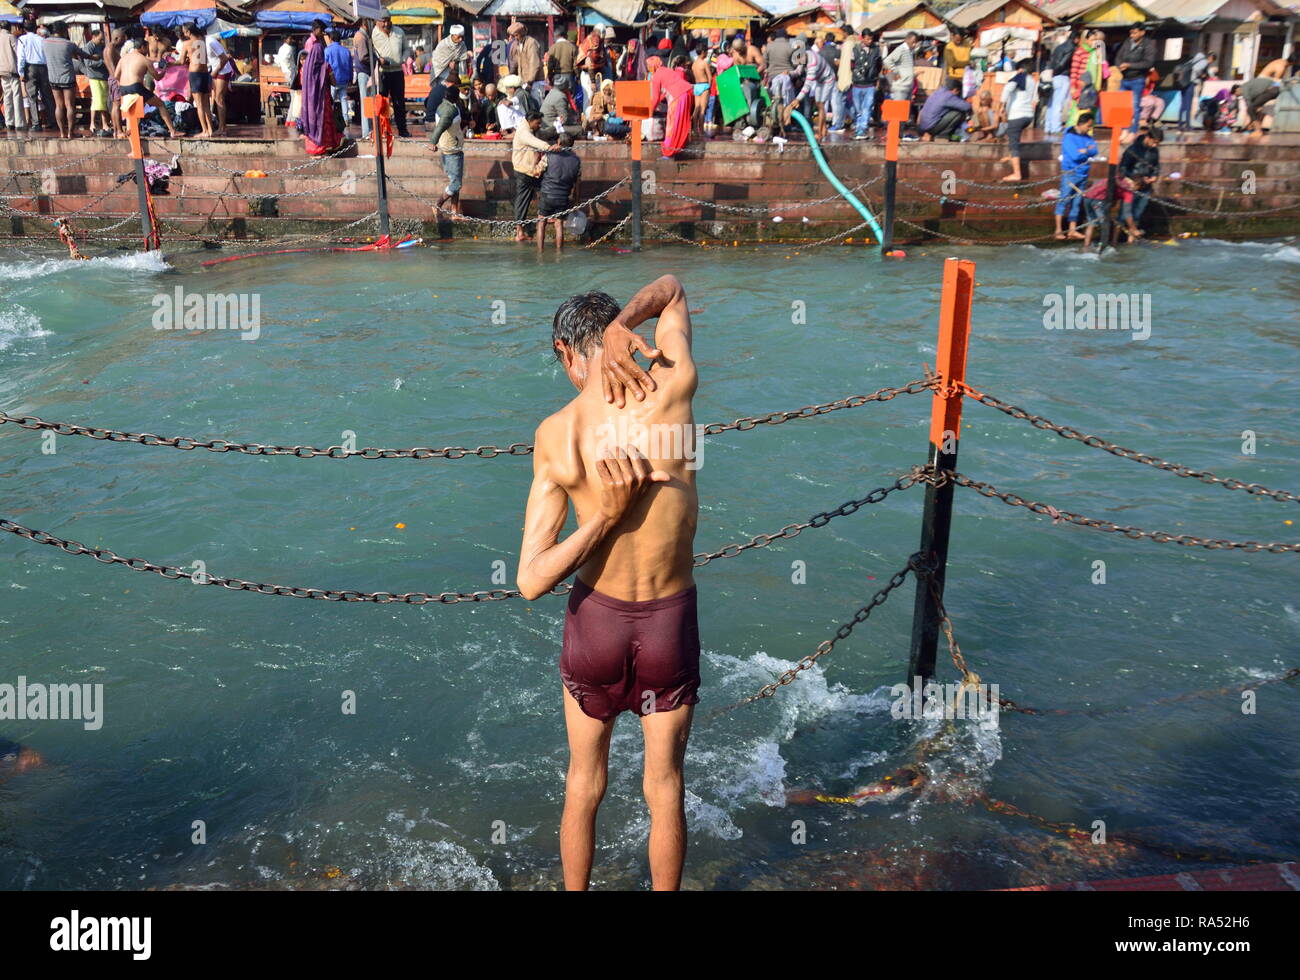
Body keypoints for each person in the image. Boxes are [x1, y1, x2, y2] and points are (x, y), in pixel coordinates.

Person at [516, 275, 699, 890]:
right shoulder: (672, 386)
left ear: (567, 354)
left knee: (583, 781)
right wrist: (632, 320)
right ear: (624, 335)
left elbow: (531, 580)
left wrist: (599, 519)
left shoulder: (555, 434)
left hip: (595, 622)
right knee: (664, 785)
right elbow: (672, 288)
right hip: (668, 620)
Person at [114, 39, 181, 138]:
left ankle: (130, 135)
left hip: (123, 88)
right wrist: (164, 70)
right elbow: (157, 77)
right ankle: (172, 131)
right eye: (146, 48)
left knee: (131, 114)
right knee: (161, 104)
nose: (147, 51)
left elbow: (116, 76)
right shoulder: (144, 59)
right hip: (136, 87)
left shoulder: (123, 58)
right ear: (142, 47)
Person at [299, 21, 342, 156]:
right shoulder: (315, 47)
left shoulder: (310, 49)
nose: (323, 33)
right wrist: (327, 69)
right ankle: (323, 146)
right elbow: (316, 69)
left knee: (316, 118)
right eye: (321, 30)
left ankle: (320, 146)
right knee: (321, 118)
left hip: (313, 94)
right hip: (319, 94)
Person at [42, 23, 89, 138]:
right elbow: (83, 54)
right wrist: (94, 57)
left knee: (59, 106)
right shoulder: (68, 44)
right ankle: (71, 133)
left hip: (53, 78)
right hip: (67, 78)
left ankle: (62, 133)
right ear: (63, 31)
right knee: (70, 106)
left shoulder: (45, 42)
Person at [427, 77, 465, 219]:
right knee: (456, 183)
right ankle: (438, 205)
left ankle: (454, 212)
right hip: (451, 150)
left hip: (452, 147)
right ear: (455, 98)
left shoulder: (444, 106)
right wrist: (433, 142)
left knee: (455, 180)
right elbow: (441, 126)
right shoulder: (449, 111)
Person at [1054, 111, 1096, 240]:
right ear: (1082, 124)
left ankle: (1072, 230)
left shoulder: (1088, 137)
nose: (1089, 129)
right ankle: (1058, 230)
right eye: (1088, 126)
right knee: (1063, 200)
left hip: (1083, 173)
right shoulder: (1069, 137)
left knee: (1077, 202)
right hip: (1070, 173)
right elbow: (1075, 155)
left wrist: (1086, 151)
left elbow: (1095, 150)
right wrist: (1086, 152)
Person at [511, 109, 551, 240]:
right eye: (537, 123)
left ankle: (522, 231)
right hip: (524, 170)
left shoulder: (527, 127)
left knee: (529, 196)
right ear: (530, 121)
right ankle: (520, 233)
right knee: (524, 199)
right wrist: (548, 147)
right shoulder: (524, 131)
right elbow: (533, 141)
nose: (539, 126)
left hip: (528, 169)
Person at [536, 132, 580, 248]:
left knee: (541, 223)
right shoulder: (576, 160)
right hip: (563, 196)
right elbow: (577, 181)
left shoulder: (549, 155)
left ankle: (540, 251)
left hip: (547, 194)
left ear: (559, 142)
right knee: (559, 224)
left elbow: (537, 171)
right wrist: (576, 200)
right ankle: (559, 252)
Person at [998, 59, 1036, 182]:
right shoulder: (1032, 80)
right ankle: (1011, 156)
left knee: (1013, 141)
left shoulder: (1020, 76)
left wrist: (1002, 106)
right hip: (1028, 116)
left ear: (1021, 69)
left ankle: (1017, 174)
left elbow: (1007, 89)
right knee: (1015, 137)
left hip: (1017, 115)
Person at [648, 54, 692, 158]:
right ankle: (679, 146)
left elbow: (654, 99)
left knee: (672, 125)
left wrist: (648, 113)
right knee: (680, 123)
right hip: (687, 93)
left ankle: (668, 152)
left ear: (652, 67)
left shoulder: (656, 77)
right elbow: (665, 91)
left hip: (678, 97)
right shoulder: (665, 70)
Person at [1113, 23, 1154, 134]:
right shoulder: (1127, 42)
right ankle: (1123, 129)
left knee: (1135, 106)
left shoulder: (1148, 45)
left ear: (1142, 32)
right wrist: (1119, 65)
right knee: (1122, 106)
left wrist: (1130, 65)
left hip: (1137, 80)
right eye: (1131, 33)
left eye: (1135, 33)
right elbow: (1118, 57)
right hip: (1125, 79)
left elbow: (1148, 63)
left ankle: (1133, 130)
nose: (1132, 35)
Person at [373, 15, 409, 137]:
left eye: (387, 21)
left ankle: (402, 130)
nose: (385, 24)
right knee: (382, 102)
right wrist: (379, 59)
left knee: (399, 102)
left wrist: (402, 60)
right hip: (383, 72)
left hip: (397, 71)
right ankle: (383, 130)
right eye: (383, 21)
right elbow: (371, 53)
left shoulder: (399, 32)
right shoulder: (374, 34)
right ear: (378, 22)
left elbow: (407, 49)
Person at [1119, 124, 1160, 231]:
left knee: (1137, 213)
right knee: (1125, 214)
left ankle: (1131, 239)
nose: (1155, 145)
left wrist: (1155, 176)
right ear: (1148, 138)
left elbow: (1156, 166)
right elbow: (1123, 168)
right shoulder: (1133, 149)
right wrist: (1136, 179)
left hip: (1146, 187)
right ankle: (1115, 239)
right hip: (1132, 186)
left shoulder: (1154, 151)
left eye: (1157, 143)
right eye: (1154, 142)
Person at [1081, 174, 1140, 248]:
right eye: (1138, 188)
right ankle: (1102, 246)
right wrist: (1134, 229)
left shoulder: (1118, 177)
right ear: (1137, 185)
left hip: (1087, 196)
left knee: (1091, 222)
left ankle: (1086, 246)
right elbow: (1127, 214)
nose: (1136, 191)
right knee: (1104, 223)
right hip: (1098, 200)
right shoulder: (1128, 192)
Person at [16, 22, 54, 130]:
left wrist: (21, 72)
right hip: (43, 67)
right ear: (35, 29)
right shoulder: (42, 39)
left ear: (25, 29)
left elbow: (21, 57)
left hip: (30, 68)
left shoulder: (22, 39)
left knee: (32, 97)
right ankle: (52, 121)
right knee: (47, 96)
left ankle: (36, 123)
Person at [180, 23, 214, 139]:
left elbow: (181, 61)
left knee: (199, 105)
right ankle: (210, 130)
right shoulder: (202, 41)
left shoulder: (186, 43)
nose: (184, 34)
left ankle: (204, 130)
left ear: (188, 32)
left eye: (184, 32)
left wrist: (169, 63)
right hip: (205, 74)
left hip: (195, 74)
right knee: (206, 105)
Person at [848, 28, 881, 141]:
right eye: (867, 39)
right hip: (857, 83)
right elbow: (852, 65)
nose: (869, 41)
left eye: (871, 39)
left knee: (867, 108)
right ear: (862, 38)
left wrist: (876, 78)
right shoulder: (855, 49)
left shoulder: (876, 50)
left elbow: (879, 64)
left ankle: (862, 129)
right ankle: (858, 128)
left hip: (870, 84)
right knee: (858, 109)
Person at [918, 77, 970, 142]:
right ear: (955, 90)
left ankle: (942, 134)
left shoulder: (937, 92)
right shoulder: (949, 96)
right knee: (958, 113)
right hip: (930, 127)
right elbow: (966, 107)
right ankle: (942, 135)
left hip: (922, 127)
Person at [1045, 28, 1076, 136]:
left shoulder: (1058, 47)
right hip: (1062, 76)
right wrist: (1056, 71)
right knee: (1058, 103)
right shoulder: (1071, 48)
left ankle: (1048, 126)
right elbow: (1063, 63)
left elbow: (1054, 62)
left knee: (1051, 103)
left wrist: (1052, 73)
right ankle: (1056, 127)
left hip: (1054, 77)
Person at [323, 27, 354, 131]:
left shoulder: (327, 51)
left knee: (330, 101)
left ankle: (330, 120)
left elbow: (325, 67)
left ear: (331, 38)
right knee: (343, 99)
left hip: (332, 81)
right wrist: (350, 78)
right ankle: (346, 120)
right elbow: (350, 66)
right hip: (344, 80)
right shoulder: (346, 51)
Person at [508, 22, 544, 104]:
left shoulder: (531, 43)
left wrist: (530, 82)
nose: (515, 38)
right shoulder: (518, 44)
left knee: (536, 107)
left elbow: (534, 64)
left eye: (517, 35)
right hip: (524, 82)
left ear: (522, 33)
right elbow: (516, 63)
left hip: (535, 82)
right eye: (514, 36)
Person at [206, 30, 234, 135]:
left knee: (219, 98)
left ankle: (222, 128)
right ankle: (221, 127)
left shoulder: (210, 42)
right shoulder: (203, 43)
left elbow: (224, 58)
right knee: (217, 98)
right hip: (215, 69)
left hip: (223, 70)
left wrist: (215, 71)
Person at [1173, 47, 1208, 131]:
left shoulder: (1191, 60)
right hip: (1190, 84)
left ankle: (1180, 124)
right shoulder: (1203, 61)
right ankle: (1188, 125)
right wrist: (1200, 76)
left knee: (1183, 105)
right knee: (1188, 106)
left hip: (1182, 84)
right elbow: (1197, 70)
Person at [540, 73, 581, 141]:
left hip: (545, 125)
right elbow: (564, 119)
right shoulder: (561, 96)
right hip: (551, 127)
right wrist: (575, 123)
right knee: (579, 130)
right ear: (564, 86)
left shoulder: (552, 91)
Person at [882, 31, 917, 103]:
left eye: (915, 42)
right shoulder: (901, 49)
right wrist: (896, 72)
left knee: (905, 111)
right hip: (901, 87)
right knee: (898, 110)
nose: (914, 44)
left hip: (907, 87)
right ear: (907, 40)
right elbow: (887, 61)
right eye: (913, 42)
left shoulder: (910, 51)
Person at [352, 22, 372, 139]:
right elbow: (363, 57)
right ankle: (367, 132)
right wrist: (375, 60)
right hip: (364, 72)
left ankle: (369, 130)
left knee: (368, 103)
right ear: (366, 24)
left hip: (365, 72)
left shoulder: (363, 36)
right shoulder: (360, 36)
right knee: (365, 103)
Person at [546, 30, 578, 95]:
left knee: (558, 96)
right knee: (571, 97)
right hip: (569, 75)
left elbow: (550, 65)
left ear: (556, 36)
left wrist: (549, 76)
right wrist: (578, 76)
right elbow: (576, 65)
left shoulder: (553, 48)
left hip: (557, 75)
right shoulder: (572, 47)